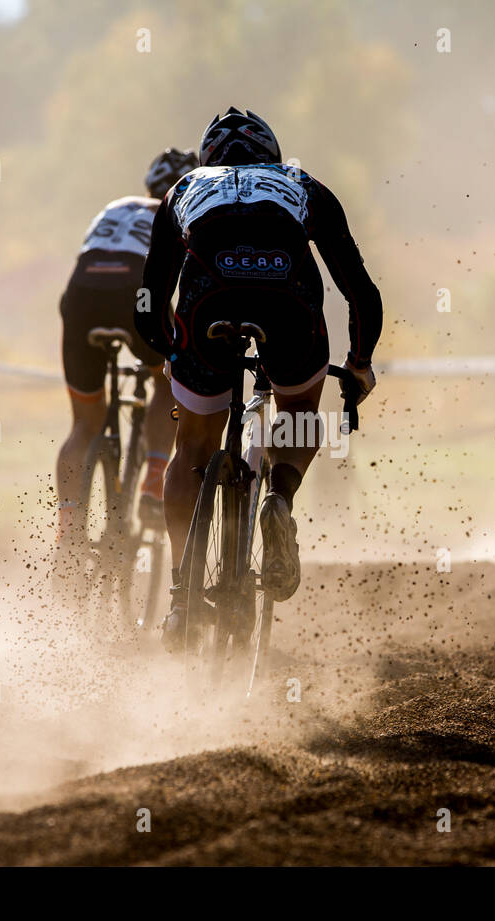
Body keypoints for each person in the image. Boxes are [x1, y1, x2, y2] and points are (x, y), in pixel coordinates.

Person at [137, 108, 382, 650]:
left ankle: (181, 593)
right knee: (297, 413)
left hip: (208, 310)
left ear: (209, 159)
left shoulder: (186, 186)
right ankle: (280, 498)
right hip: (287, 308)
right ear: (270, 155)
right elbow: (359, 291)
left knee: (192, 445)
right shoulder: (301, 183)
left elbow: (149, 292)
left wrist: (164, 351)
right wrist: (360, 363)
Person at [55, 147, 197, 553]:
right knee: (168, 381)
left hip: (82, 294)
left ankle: (67, 531)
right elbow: (181, 288)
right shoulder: (180, 211)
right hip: (135, 292)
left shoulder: (116, 206)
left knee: (84, 424)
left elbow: (90, 258)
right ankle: (153, 487)